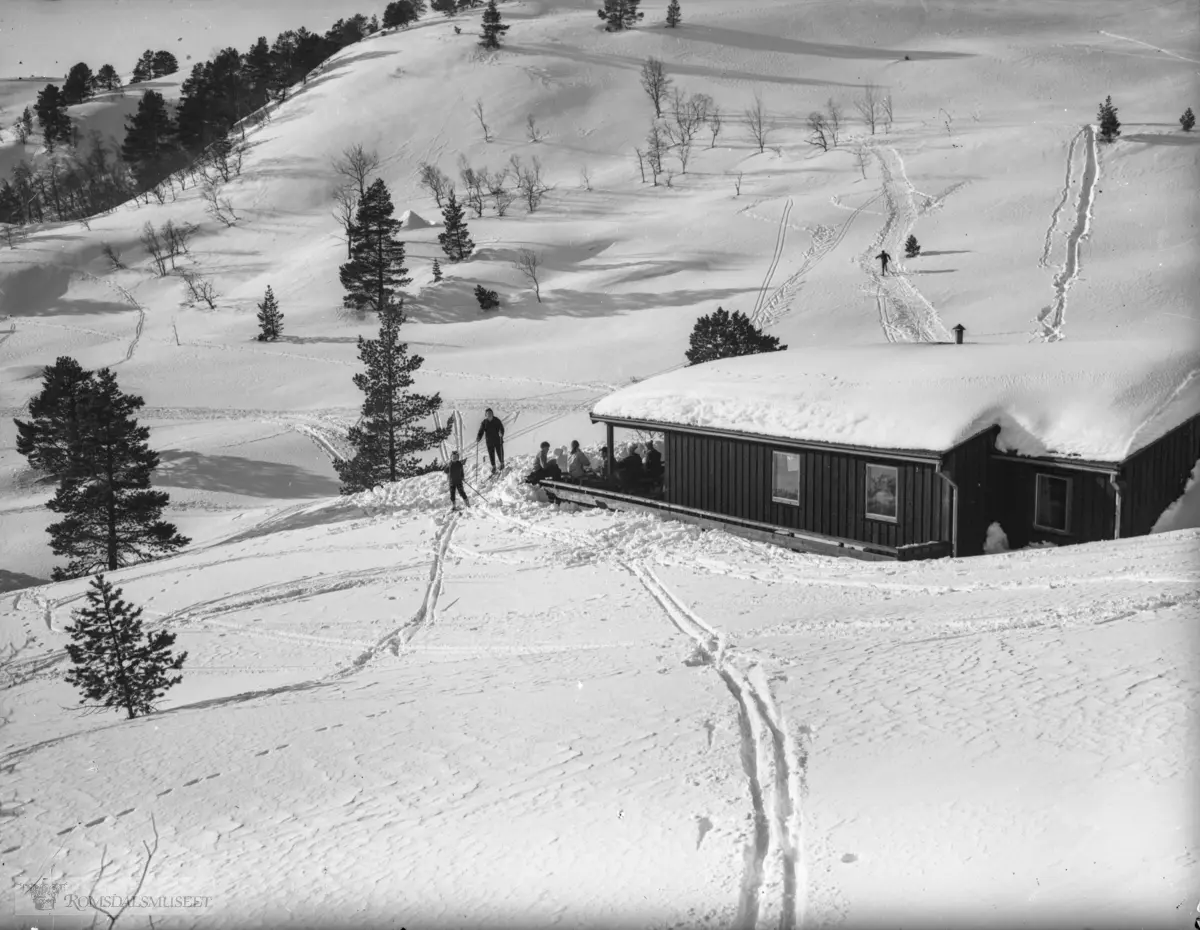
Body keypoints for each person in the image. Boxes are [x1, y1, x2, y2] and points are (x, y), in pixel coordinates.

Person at [476, 408, 505, 474]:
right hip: (489, 441)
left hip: (498, 440)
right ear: (485, 415)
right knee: (491, 454)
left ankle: (502, 464)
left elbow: (501, 428)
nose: (489, 414)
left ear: (492, 414)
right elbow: (481, 431)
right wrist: (479, 437)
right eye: (487, 414)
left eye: (490, 413)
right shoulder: (484, 422)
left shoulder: (496, 420)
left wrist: (501, 432)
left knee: (500, 452)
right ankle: (494, 466)